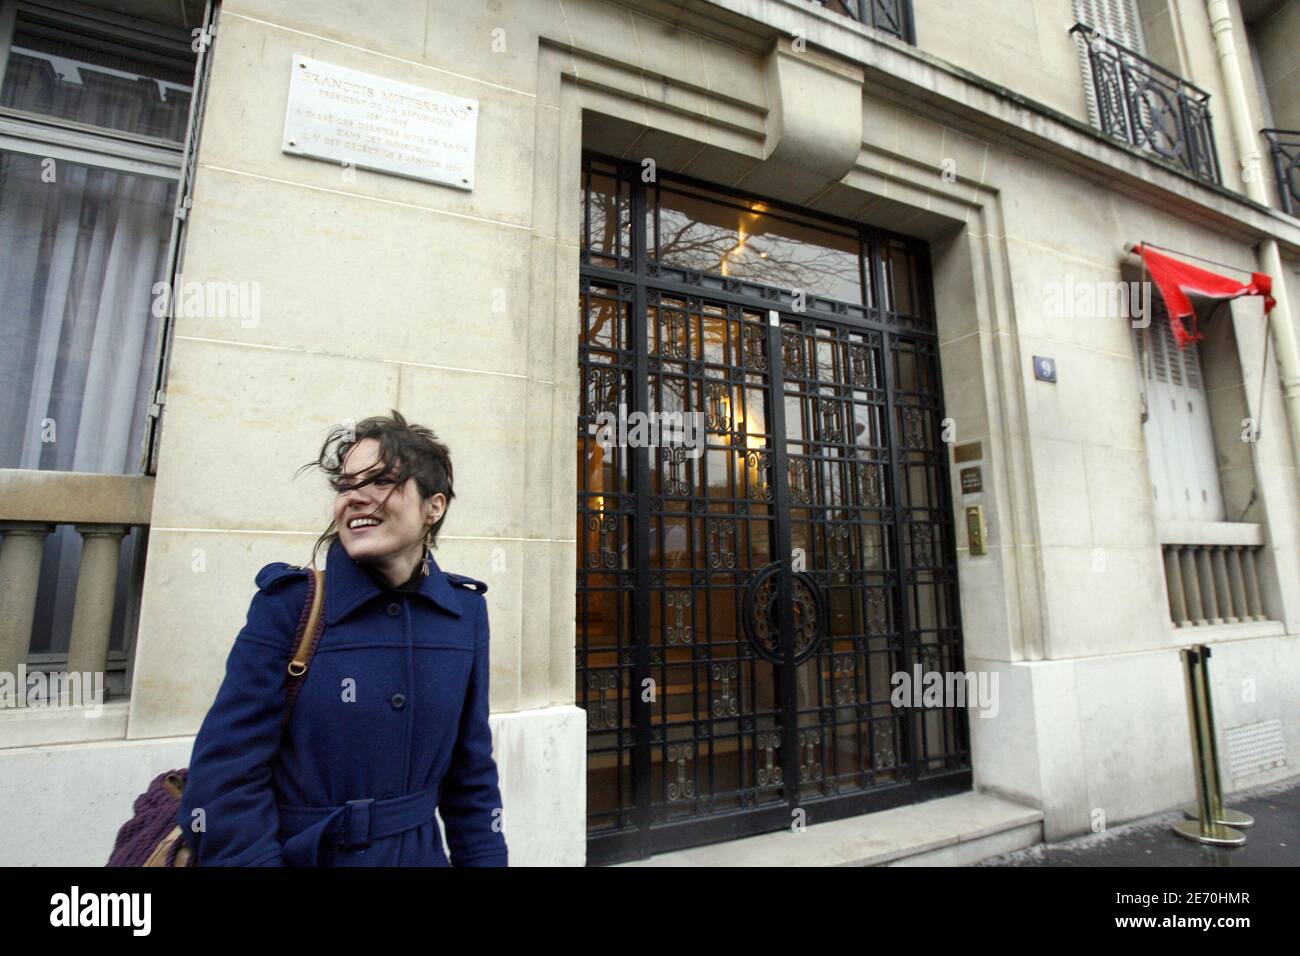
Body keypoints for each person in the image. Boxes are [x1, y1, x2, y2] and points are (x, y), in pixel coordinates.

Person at [177, 410, 508, 866]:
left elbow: (471, 776)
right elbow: (224, 781)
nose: (355, 498)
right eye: (347, 486)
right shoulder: (288, 608)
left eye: (380, 482)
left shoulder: (465, 613)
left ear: (435, 506)